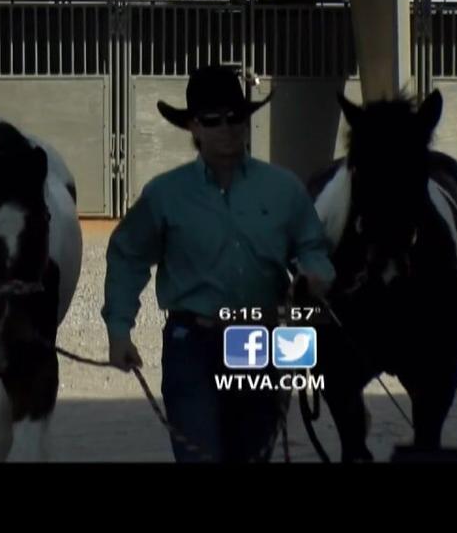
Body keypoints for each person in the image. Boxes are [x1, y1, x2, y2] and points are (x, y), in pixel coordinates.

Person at [101, 64, 335, 463]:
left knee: (253, 453)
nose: (227, 128)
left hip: (259, 340)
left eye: (236, 117)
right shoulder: (164, 195)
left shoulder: (284, 189)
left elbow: (313, 246)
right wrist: (119, 331)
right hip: (193, 343)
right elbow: (128, 257)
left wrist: (317, 275)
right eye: (213, 119)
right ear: (193, 127)